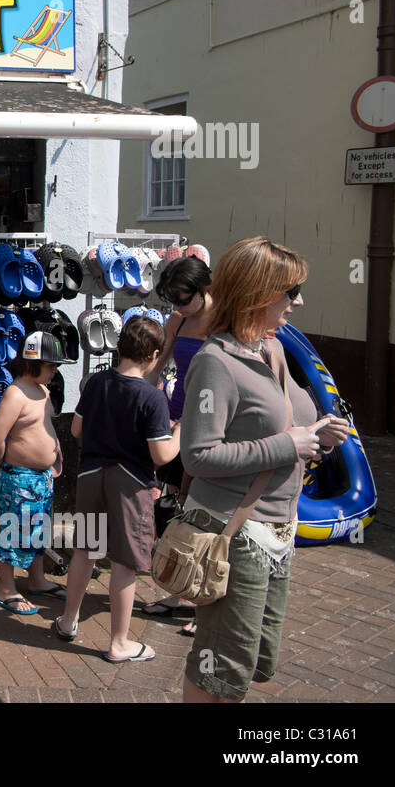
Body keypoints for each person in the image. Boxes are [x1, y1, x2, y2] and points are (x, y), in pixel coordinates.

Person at [179, 237, 349, 703]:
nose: (298, 302)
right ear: (258, 292)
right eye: (290, 292)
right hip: (239, 531)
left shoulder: (269, 351)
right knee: (222, 664)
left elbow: (283, 427)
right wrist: (287, 444)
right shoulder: (216, 361)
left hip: (278, 528)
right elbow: (198, 456)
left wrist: (316, 435)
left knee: (254, 660)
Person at [57, 316, 179, 662]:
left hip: (92, 476)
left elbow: (78, 430)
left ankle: (68, 621)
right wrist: (180, 432)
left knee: (85, 550)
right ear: (154, 354)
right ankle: (120, 642)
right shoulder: (153, 398)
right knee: (124, 562)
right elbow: (161, 454)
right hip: (131, 485)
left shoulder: (96, 383)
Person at [141, 256, 214, 631]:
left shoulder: (225, 320)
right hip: (178, 419)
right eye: (172, 300)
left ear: (204, 288)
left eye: (184, 298)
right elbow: (158, 367)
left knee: (205, 510)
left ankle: (205, 602)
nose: (179, 306)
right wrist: (138, 396)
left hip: (211, 424)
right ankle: (179, 588)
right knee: (175, 507)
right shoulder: (179, 319)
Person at [0, 331, 70, 615]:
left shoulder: (43, 391)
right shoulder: (16, 393)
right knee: (13, 530)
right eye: (51, 366)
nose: (55, 371)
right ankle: (6, 588)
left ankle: (37, 579)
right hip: (18, 476)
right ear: (32, 363)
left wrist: (54, 449)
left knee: (39, 529)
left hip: (42, 476)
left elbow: (45, 425)